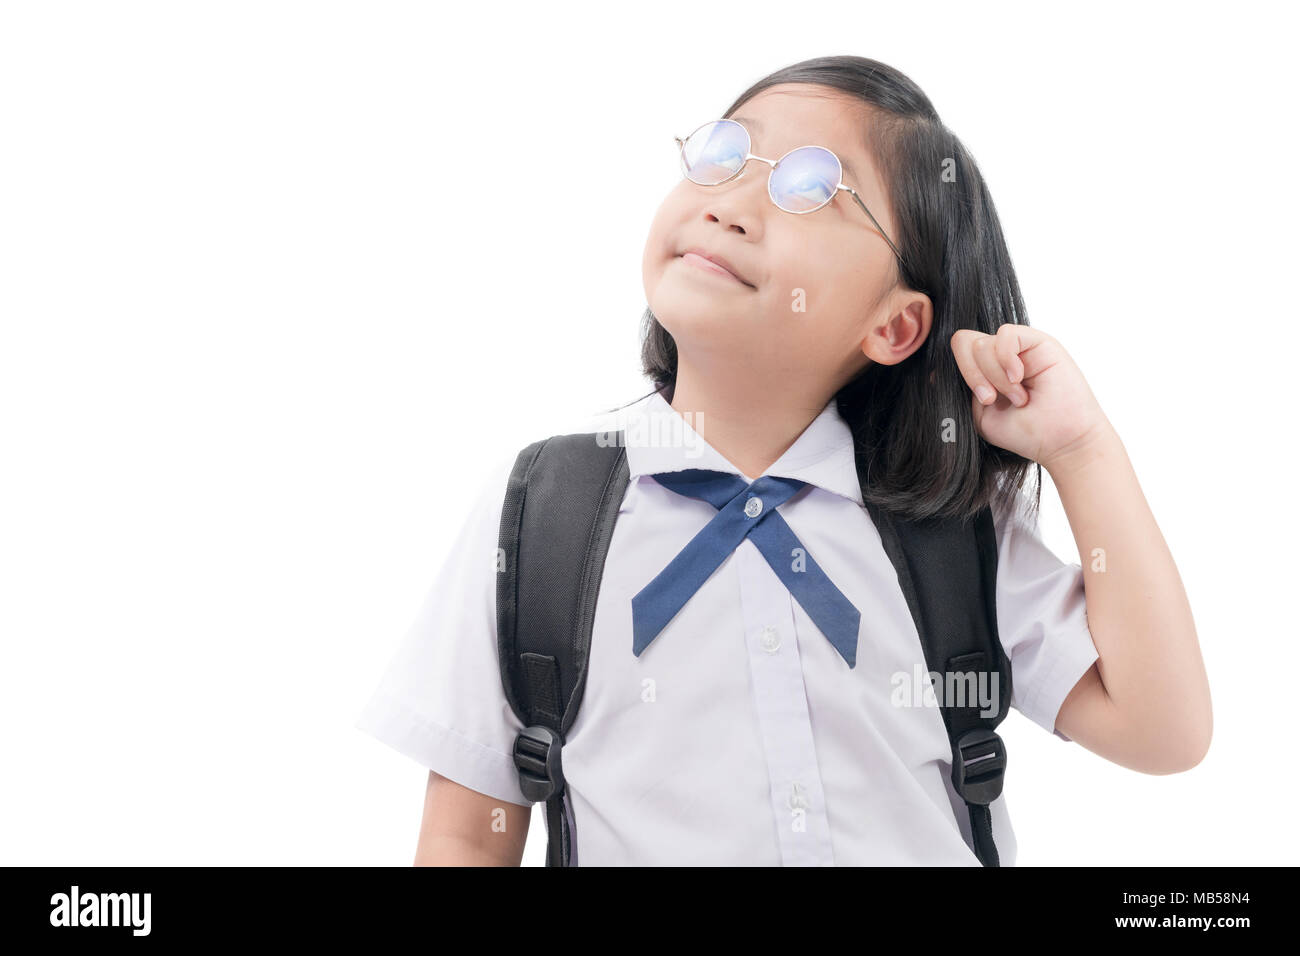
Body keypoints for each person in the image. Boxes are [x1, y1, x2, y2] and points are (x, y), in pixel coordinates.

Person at [355, 54, 1212, 866]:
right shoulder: (544, 515)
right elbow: (467, 836)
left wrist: (1081, 451)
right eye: (725, 153)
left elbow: (1161, 730)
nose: (730, 201)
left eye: (812, 186)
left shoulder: (946, 529)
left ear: (895, 326)